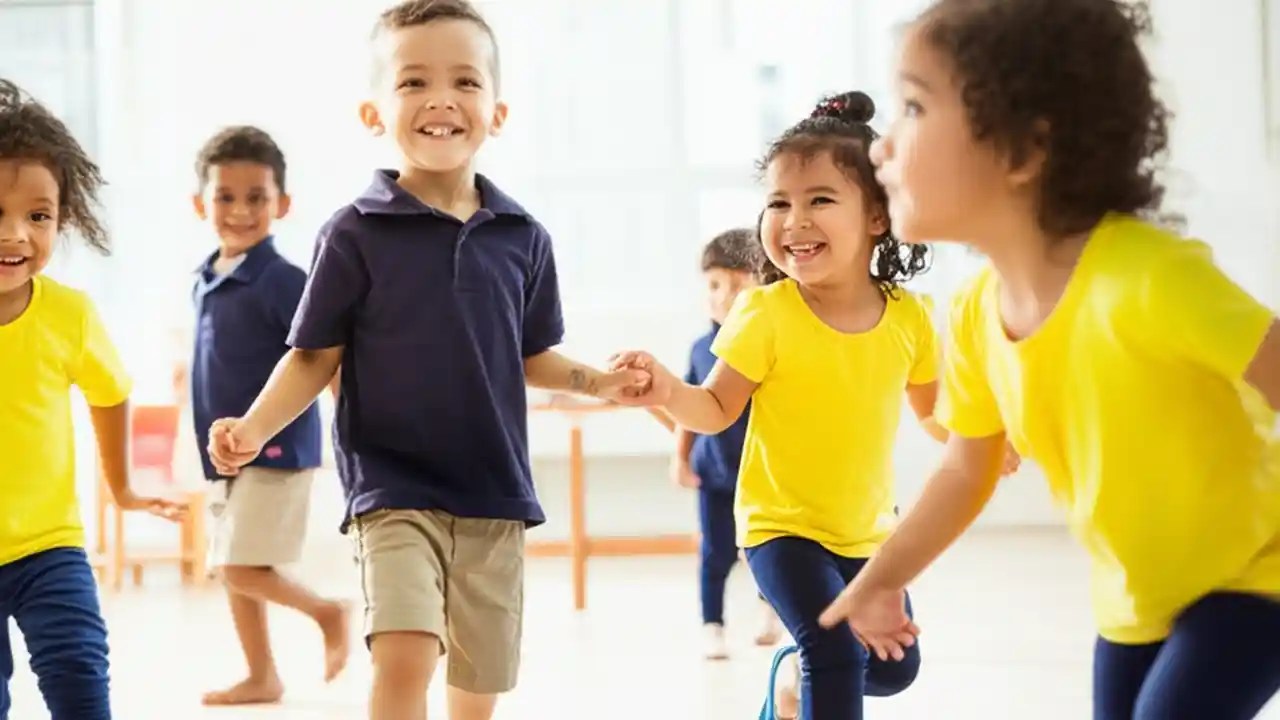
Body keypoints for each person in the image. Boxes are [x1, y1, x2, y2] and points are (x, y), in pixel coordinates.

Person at [817, 2, 1280, 719]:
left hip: (1256, 580)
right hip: (1134, 599)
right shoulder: (974, 315)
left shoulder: (1149, 277)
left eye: (912, 105)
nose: (880, 146)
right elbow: (965, 469)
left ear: (1023, 151)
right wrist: (882, 578)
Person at [204, 2, 648, 719]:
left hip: (494, 491)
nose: (442, 99)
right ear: (373, 112)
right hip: (391, 486)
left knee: (479, 683)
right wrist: (255, 427)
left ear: (496, 112)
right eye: (413, 82)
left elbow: (531, 354)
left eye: (465, 82)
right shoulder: (353, 232)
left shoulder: (522, 237)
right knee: (405, 649)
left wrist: (598, 383)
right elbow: (314, 354)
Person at [611, 91, 941, 720]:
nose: (793, 219)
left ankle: (789, 680)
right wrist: (665, 391)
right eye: (778, 202)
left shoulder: (911, 318)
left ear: (877, 216)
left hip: (870, 532)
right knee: (836, 653)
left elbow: (933, 415)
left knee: (896, 670)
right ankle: (807, 668)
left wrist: (985, 440)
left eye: (819, 199)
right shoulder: (766, 311)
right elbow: (714, 408)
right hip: (780, 528)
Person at [0, 78, 186, 720]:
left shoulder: (70, 316)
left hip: (51, 545)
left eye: (38, 215)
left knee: (80, 673)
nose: (15, 235)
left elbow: (110, 395)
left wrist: (125, 489)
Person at [187, 125, 350, 706]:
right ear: (200, 203)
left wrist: (348, 423)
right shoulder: (205, 279)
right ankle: (262, 674)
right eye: (225, 197)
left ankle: (327, 612)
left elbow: (322, 355)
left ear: (282, 204)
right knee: (238, 565)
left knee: (234, 566)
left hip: (276, 449)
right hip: (225, 453)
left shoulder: (286, 282)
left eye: (256, 197)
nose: (239, 210)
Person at [674, 228, 782, 660]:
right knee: (716, 552)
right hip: (716, 473)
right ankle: (712, 624)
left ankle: (770, 610)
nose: (723, 296)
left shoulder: (772, 341)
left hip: (767, 475)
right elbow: (688, 404)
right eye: (715, 286)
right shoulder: (702, 348)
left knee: (768, 550)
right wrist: (679, 457)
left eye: (737, 286)